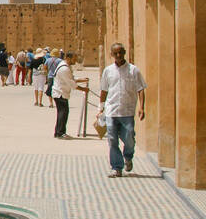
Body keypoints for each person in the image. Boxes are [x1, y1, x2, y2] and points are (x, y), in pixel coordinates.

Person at [99, 42, 147, 177]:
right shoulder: (108, 71)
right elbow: (104, 90)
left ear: (125, 52)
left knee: (129, 137)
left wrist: (141, 107)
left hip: (127, 110)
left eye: (121, 52)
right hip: (111, 110)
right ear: (111, 54)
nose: (118, 55)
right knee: (112, 139)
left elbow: (141, 88)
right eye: (115, 53)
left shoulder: (133, 70)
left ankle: (128, 157)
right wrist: (101, 108)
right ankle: (116, 167)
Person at [51, 49, 88, 138]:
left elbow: (71, 78)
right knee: (63, 113)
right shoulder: (64, 68)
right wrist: (83, 89)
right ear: (68, 58)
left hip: (61, 93)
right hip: (60, 93)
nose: (75, 61)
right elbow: (71, 83)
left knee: (62, 113)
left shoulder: (66, 67)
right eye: (74, 59)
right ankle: (60, 133)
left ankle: (58, 132)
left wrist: (81, 79)